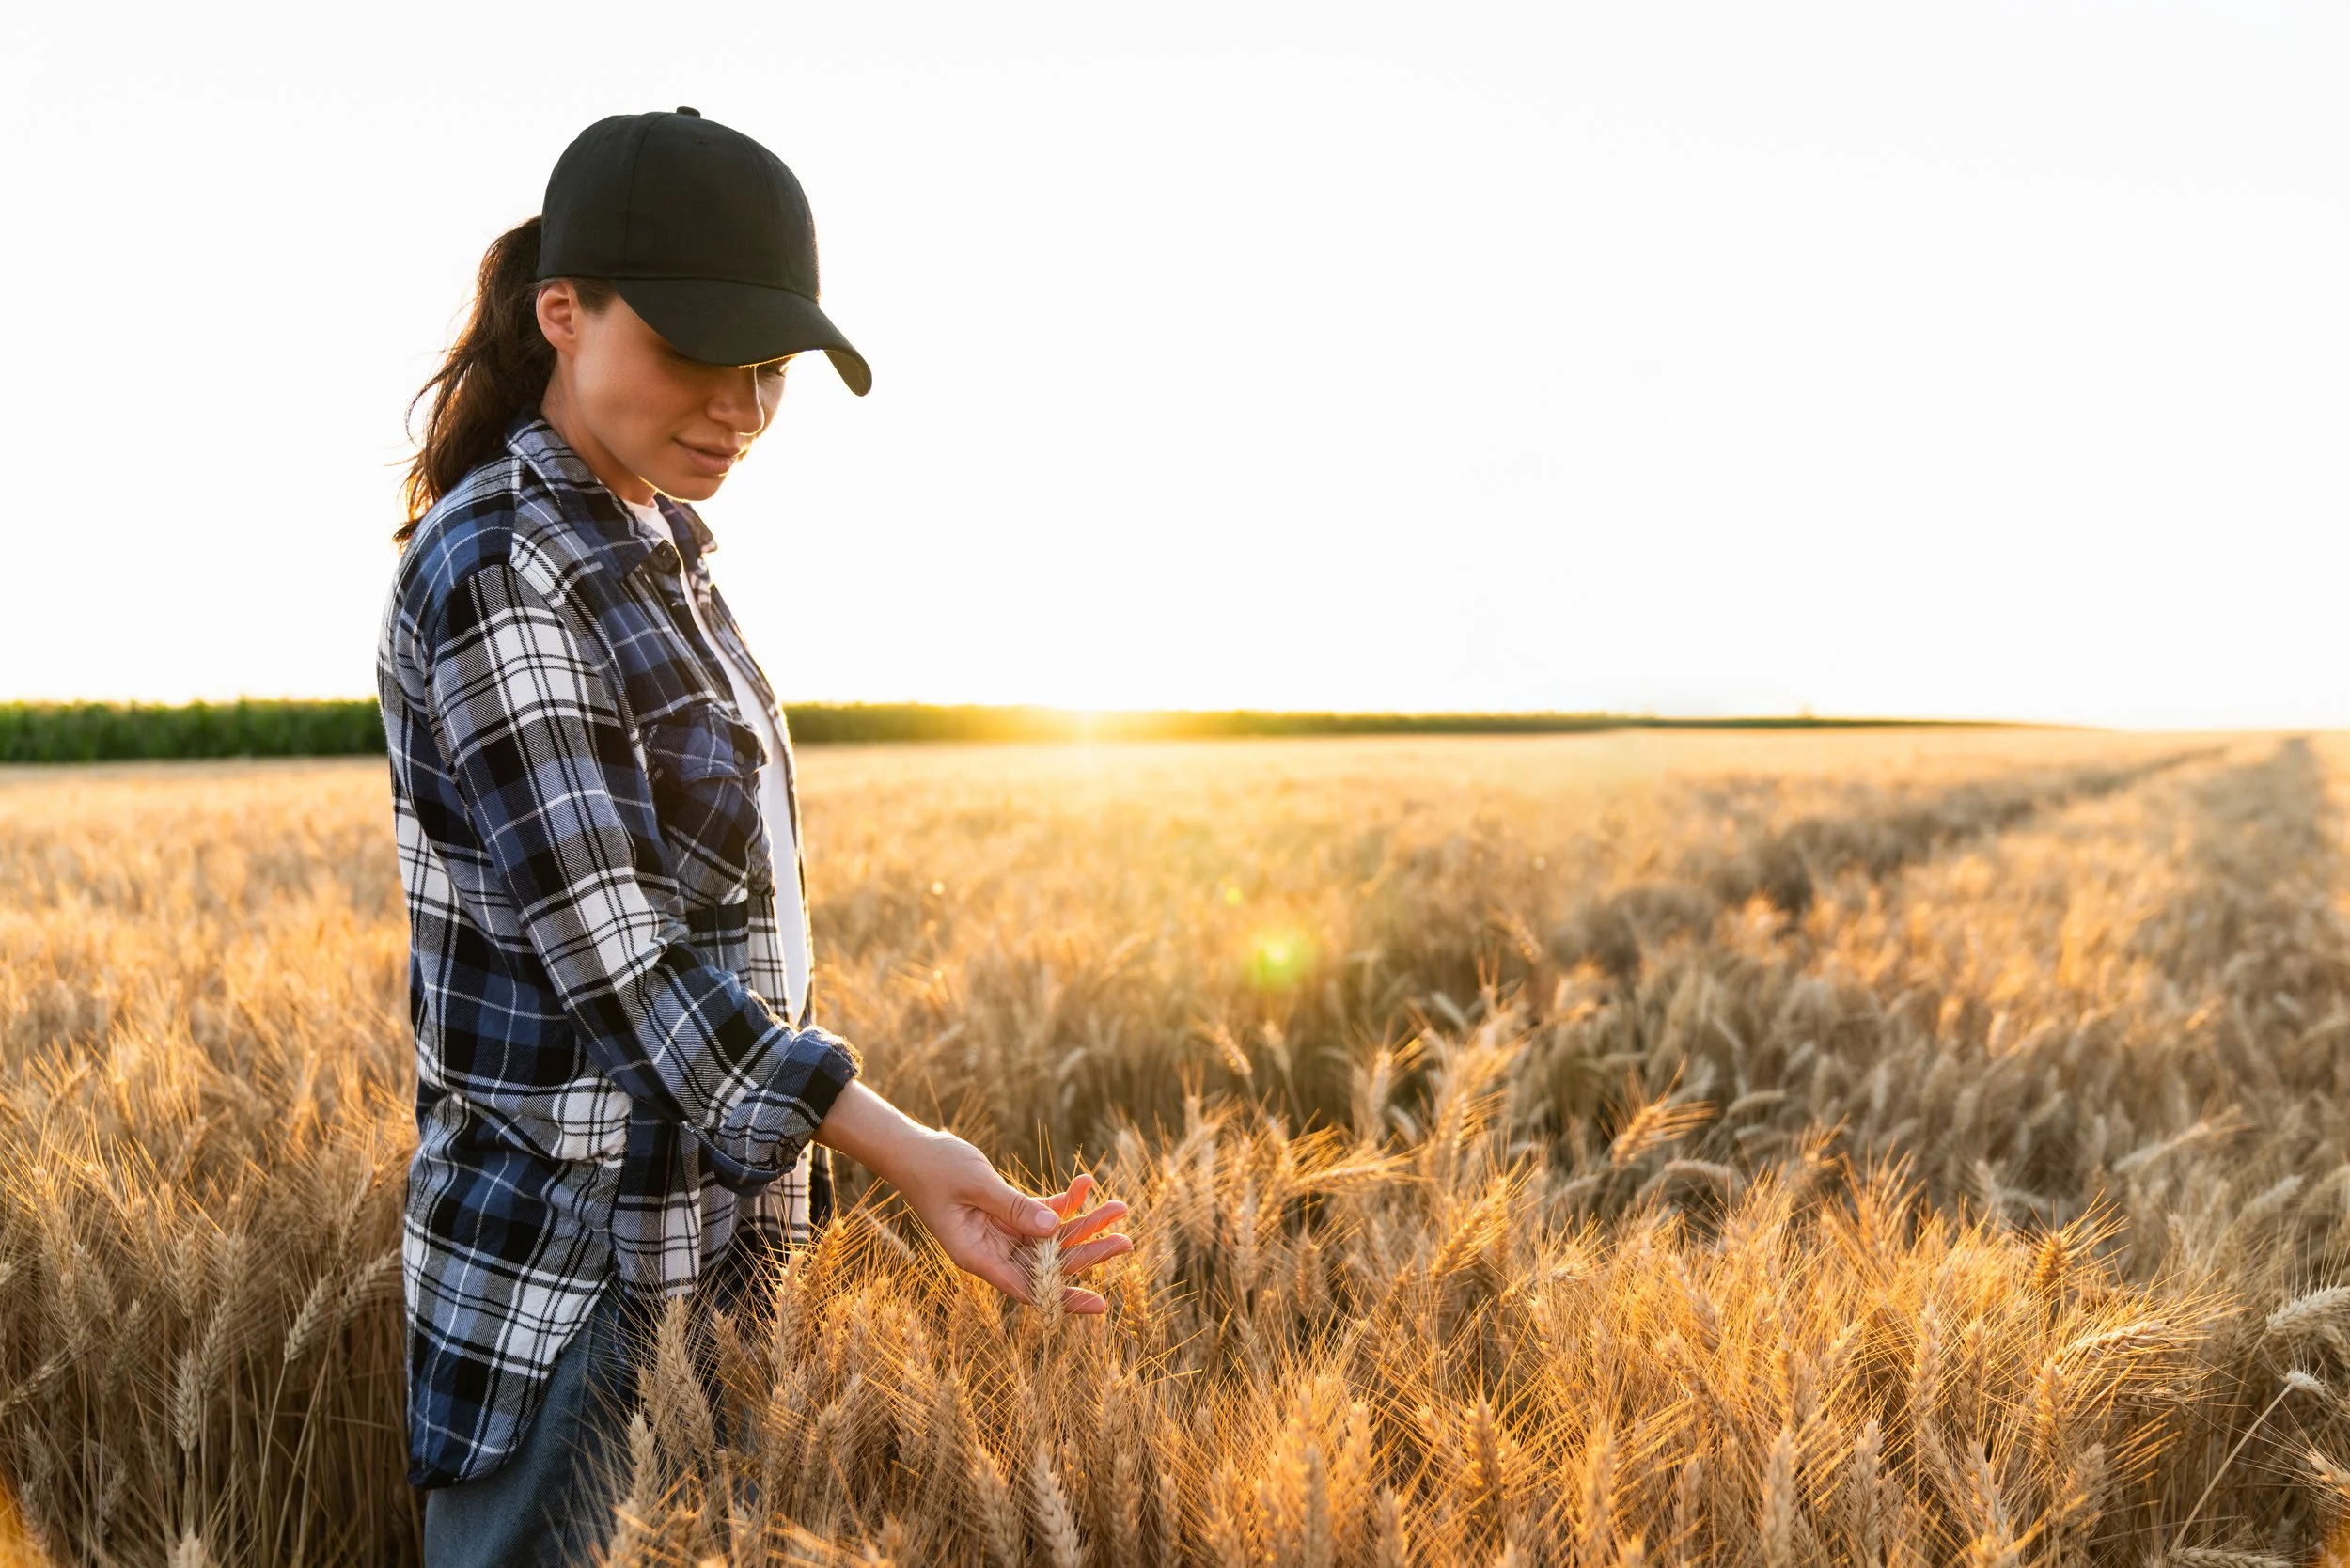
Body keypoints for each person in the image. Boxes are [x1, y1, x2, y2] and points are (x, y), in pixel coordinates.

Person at [376, 108, 1131, 1566]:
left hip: (715, 1263)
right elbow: (625, 969)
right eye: (695, 354)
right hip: (572, 1284)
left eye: (768, 369)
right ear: (562, 313)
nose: (739, 409)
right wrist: (904, 1148)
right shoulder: (502, 562)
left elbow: (728, 924)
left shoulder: (656, 546)